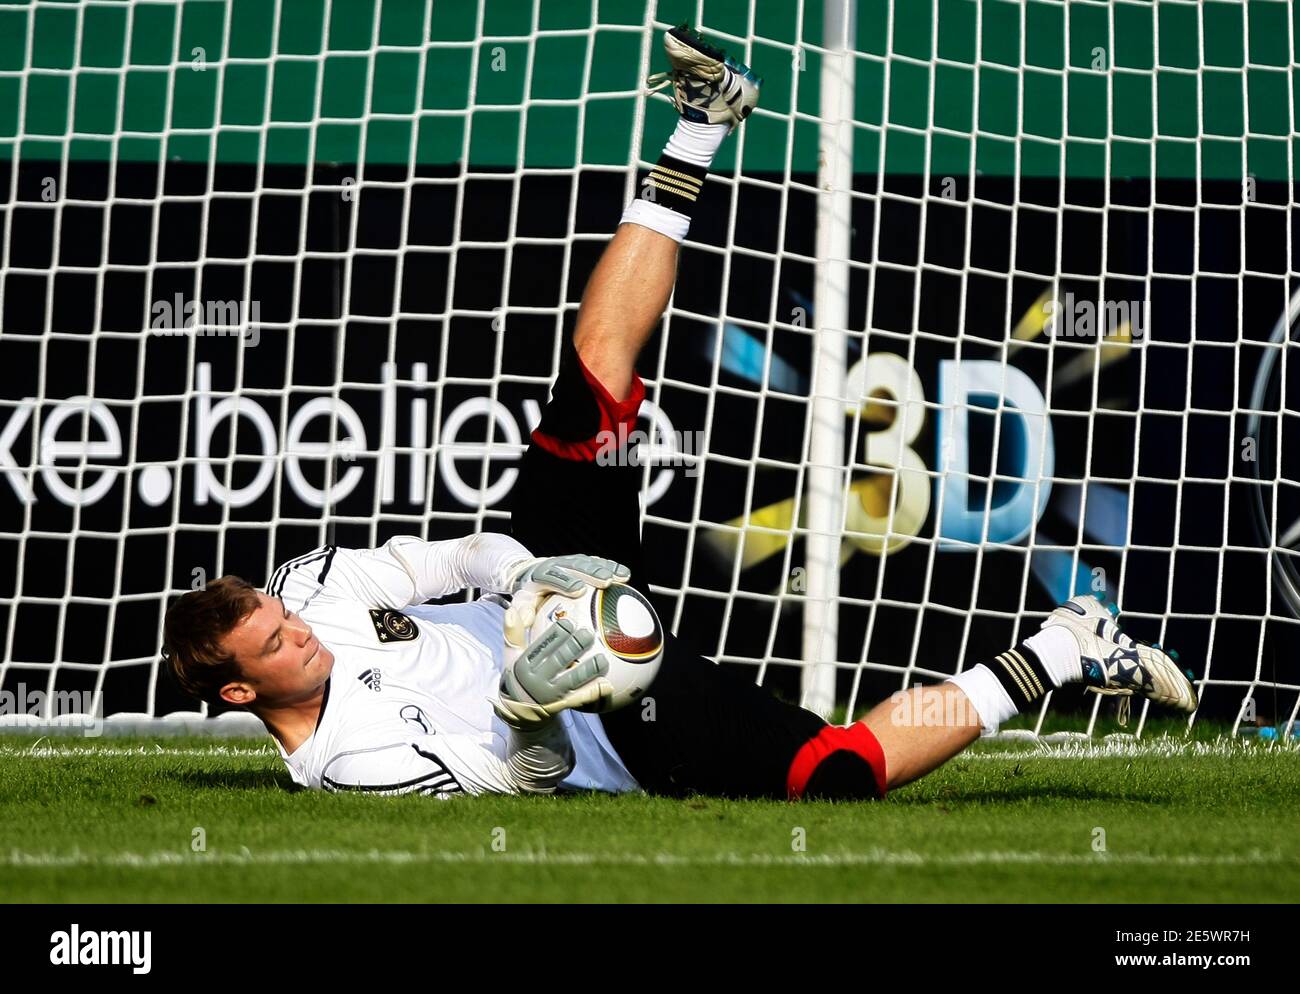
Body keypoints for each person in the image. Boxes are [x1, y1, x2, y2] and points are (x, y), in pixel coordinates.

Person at [160, 26, 1197, 801]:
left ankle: (699, 122)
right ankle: (1068, 645)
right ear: (245, 696)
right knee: (836, 774)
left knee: (596, 375)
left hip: (562, 573)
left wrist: (531, 579)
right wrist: (531, 698)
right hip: (615, 721)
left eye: (284, 617)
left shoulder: (314, 585)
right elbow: (525, 782)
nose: (301, 629)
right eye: (281, 646)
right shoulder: (353, 766)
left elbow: (446, 562)